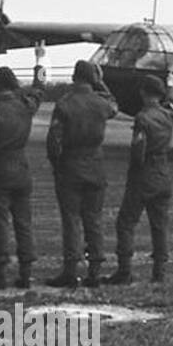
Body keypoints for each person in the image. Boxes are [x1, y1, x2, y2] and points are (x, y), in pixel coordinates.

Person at [45, 60, 118, 287]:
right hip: (95, 166)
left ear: (74, 77)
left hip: (70, 165)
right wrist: (102, 83)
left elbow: (54, 140)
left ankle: (70, 271)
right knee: (94, 219)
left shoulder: (65, 104)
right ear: (93, 79)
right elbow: (114, 105)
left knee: (71, 220)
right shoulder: (101, 103)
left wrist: (56, 165)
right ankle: (95, 271)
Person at [0, 66, 45, 289]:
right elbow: (38, 90)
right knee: (24, 222)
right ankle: (26, 272)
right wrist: (40, 67)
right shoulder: (26, 107)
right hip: (22, 170)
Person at [108, 73, 173, 283]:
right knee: (160, 226)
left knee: (126, 222)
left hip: (144, 175)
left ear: (143, 93)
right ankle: (160, 273)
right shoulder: (169, 115)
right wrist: (172, 85)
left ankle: (125, 271)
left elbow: (138, 150)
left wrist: (134, 170)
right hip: (163, 173)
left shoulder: (142, 118)